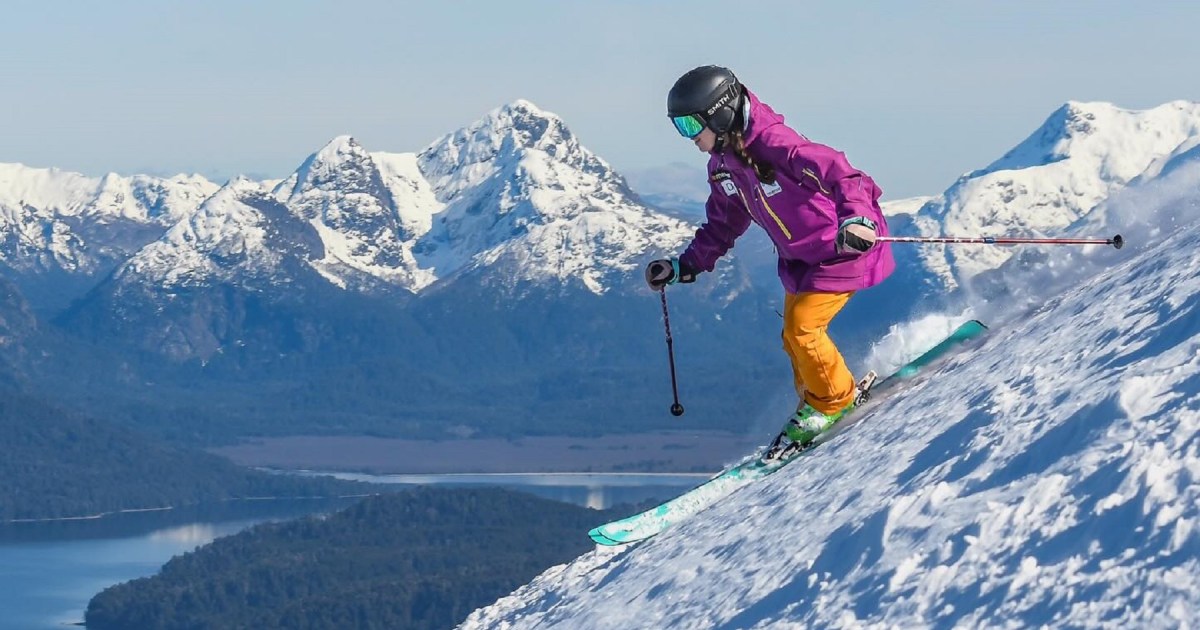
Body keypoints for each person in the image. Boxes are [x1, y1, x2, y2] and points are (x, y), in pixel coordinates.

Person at [645, 65, 895, 452]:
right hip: (802, 260)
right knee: (791, 338)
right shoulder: (723, 166)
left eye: (693, 127)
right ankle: (815, 400)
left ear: (721, 114)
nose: (690, 140)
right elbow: (721, 226)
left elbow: (847, 177)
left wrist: (857, 218)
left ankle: (833, 401)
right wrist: (685, 266)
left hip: (843, 249)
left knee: (803, 329)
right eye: (681, 129)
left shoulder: (778, 144)